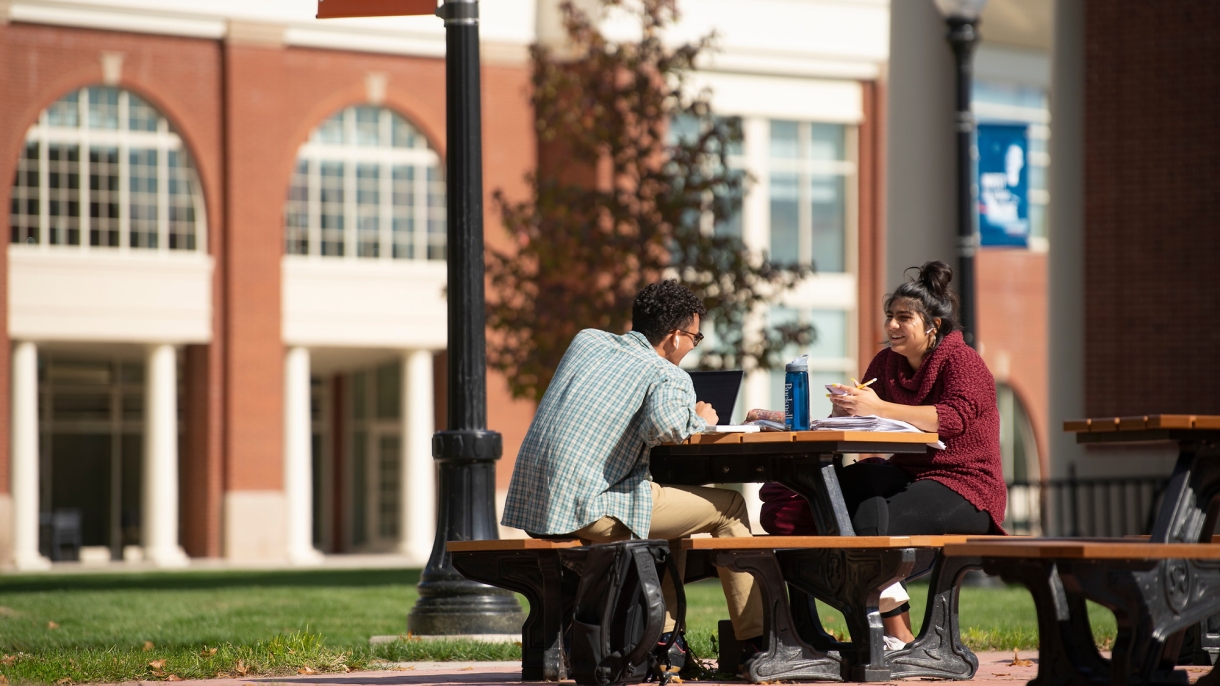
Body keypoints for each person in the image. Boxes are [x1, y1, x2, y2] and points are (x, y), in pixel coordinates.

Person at [502, 279, 765, 670]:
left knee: (669, 514)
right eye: (695, 337)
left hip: (536, 504)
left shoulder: (587, 341)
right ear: (674, 337)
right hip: (587, 507)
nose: (694, 346)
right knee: (729, 507)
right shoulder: (668, 374)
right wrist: (702, 418)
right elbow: (666, 428)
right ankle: (756, 645)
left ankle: (664, 643)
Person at [759, 261, 1006, 649]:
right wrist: (844, 412)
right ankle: (845, 629)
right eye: (890, 316)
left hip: (965, 486)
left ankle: (890, 634)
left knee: (862, 516)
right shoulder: (885, 364)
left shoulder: (963, 361)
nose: (891, 326)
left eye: (903, 318)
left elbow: (952, 419)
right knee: (830, 494)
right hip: (909, 473)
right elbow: (868, 421)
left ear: (932, 325)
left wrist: (878, 408)